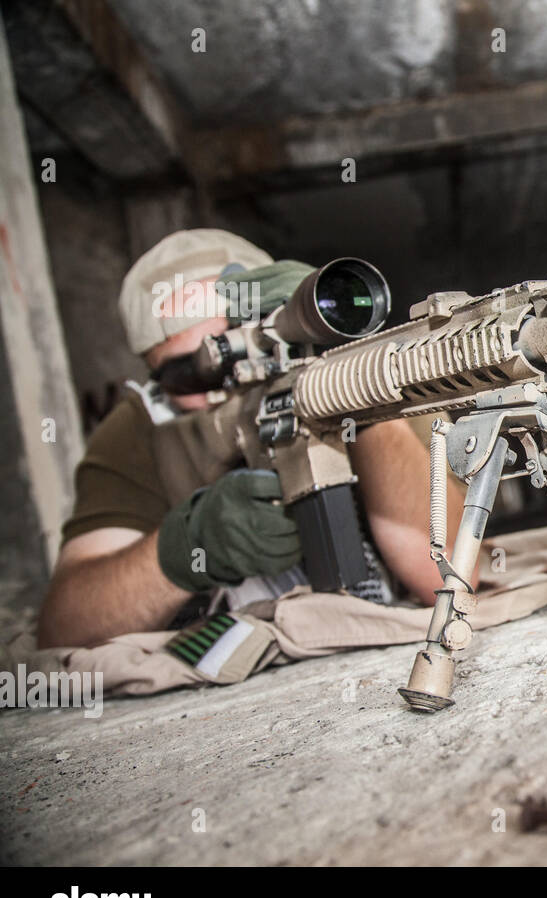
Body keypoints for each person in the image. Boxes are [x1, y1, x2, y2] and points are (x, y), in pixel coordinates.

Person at [37, 229, 462, 649]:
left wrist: (353, 394)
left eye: (237, 348)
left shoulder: (379, 377)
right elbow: (65, 628)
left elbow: (450, 579)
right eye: (187, 372)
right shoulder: (141, 428)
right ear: (155, 380)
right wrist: (187, 548)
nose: (216, 387)